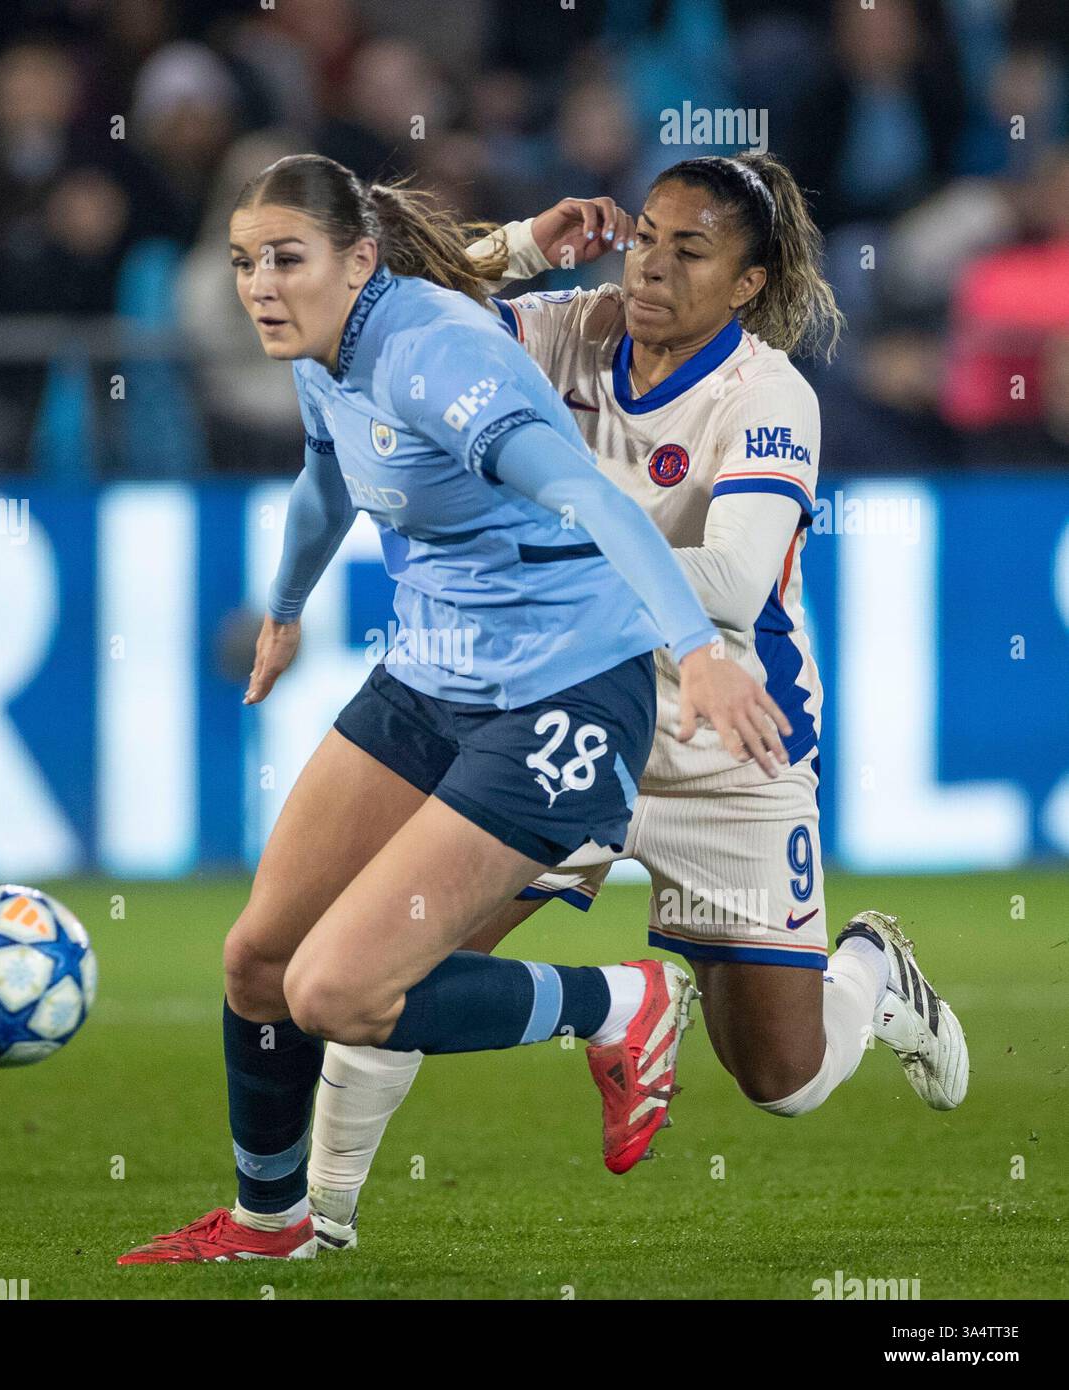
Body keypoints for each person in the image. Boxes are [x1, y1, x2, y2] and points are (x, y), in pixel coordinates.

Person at [117, 153, 791, 1265]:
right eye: (244, 262)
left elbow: (579, 491)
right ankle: (272, 1222)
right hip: (431, 674)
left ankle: (615, 1002)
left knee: (335, 989)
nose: (258, 286)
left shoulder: (434, 359)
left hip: (564, 690)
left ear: (359, 260)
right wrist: (285, 608)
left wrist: (697, 652)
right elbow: (328, 476)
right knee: (257, 961)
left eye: (284, 259)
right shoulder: (321, 341)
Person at [305, 154, 970, 1253]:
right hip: (564, 714)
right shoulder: (566, 329)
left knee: (781, 1079)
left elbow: (732, 582)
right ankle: (316, 1217)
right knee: (404, 956)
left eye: (689, 249)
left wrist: (556, 545)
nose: (650, 266)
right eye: (644, 236)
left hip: (724, 743)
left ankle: (866, 971)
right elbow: (384, 308)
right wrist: (517, 244)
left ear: (748, 283)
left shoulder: (767, 399)